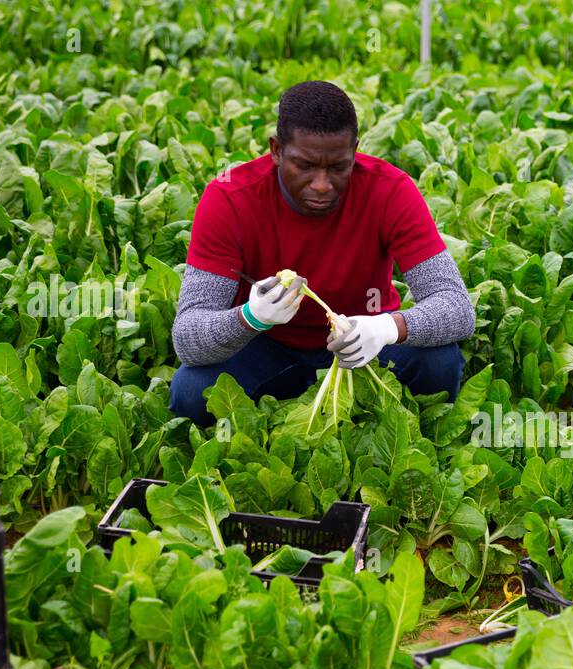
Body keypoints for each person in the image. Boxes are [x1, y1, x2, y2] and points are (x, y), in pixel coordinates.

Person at [169, 80, 474, 425]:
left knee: (440, 363)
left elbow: (457, 307)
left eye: (337, 167)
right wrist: (250, 317)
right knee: (193, 391)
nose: (321, 185)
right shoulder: (229, 198)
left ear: (355, 151)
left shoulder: (390, 190)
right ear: (276, 150)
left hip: (363, 346)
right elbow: (188, 338)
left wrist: (389, 328)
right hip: (268, 349)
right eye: (305, 166)